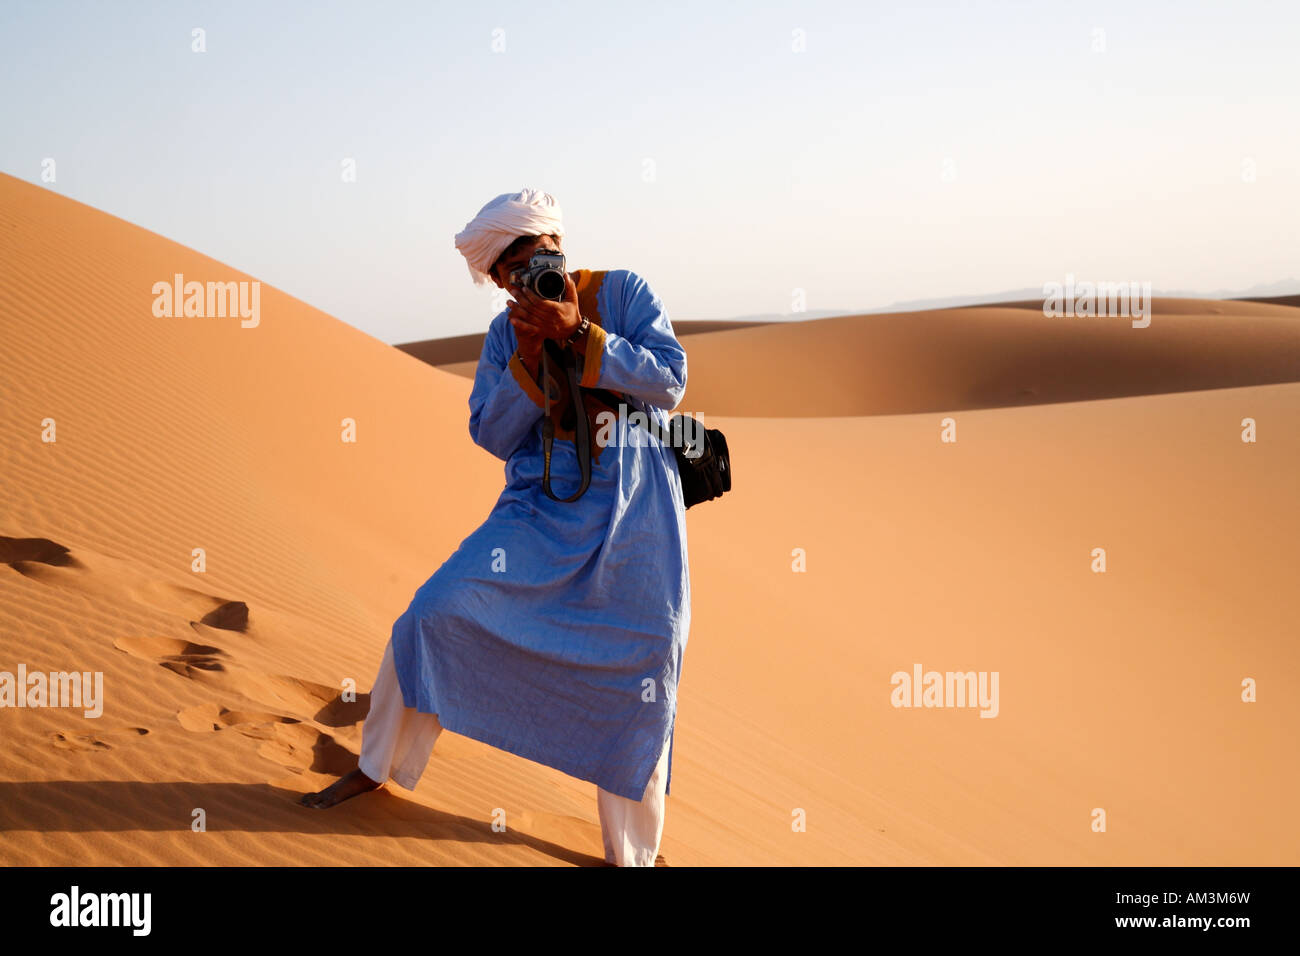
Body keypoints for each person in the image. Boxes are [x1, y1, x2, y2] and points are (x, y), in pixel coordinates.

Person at [301, 188, 691, 867]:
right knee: (434, 611)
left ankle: (634, 853)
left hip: (637, 511)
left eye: (537, 259)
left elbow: (670, 382)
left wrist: (579, 333)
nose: (529, 277)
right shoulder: (504, 336)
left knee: (646, 665)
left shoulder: (622, 292)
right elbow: (492, 432)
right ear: (498, 280)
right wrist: (531, 357)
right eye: (511, 273)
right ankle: (374, 766)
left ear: (557, 247)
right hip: (541, 505)